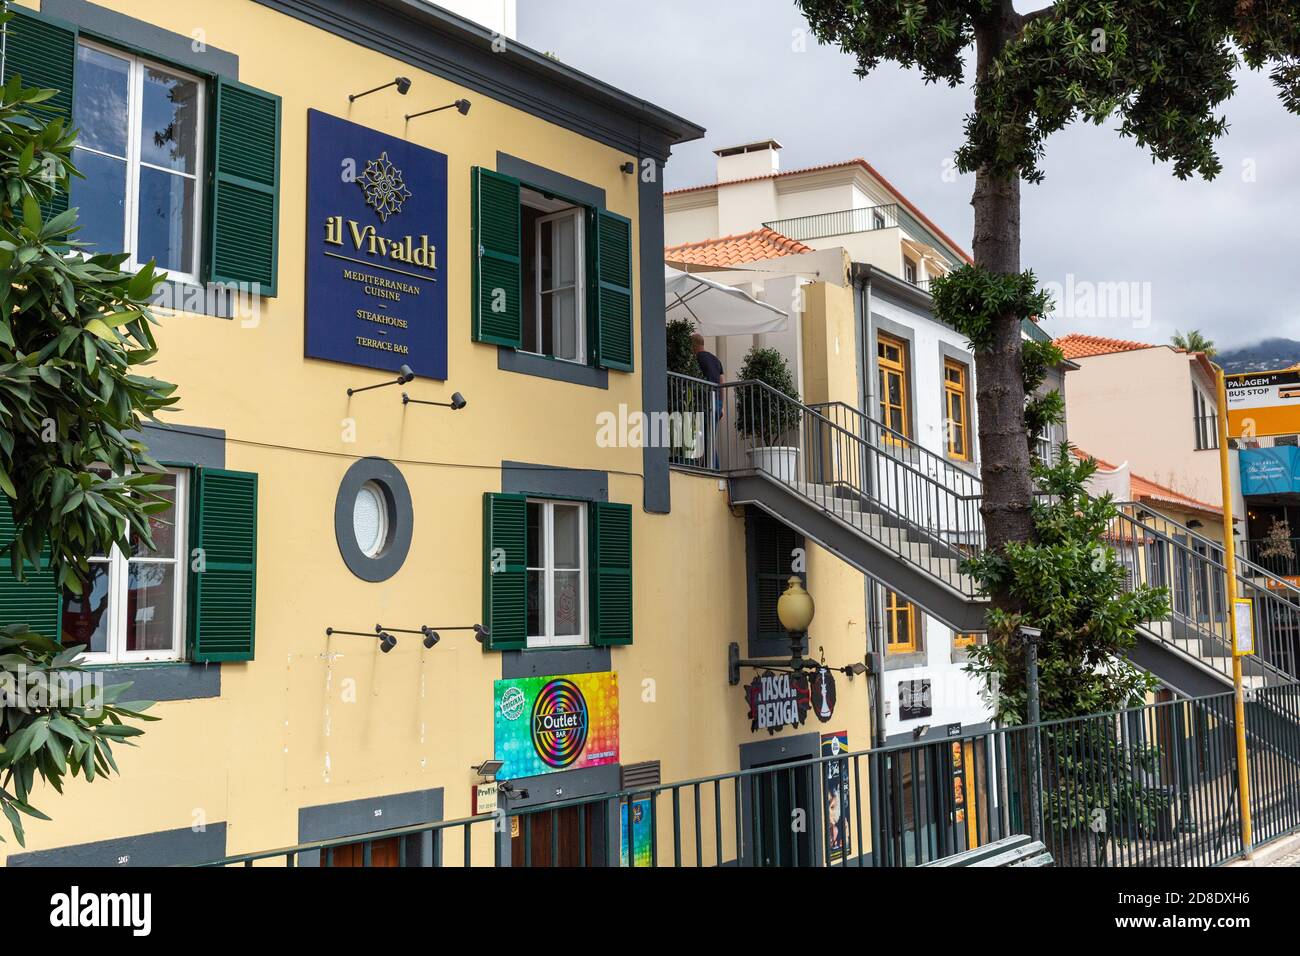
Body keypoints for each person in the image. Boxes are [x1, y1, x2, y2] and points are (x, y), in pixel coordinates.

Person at [692, 334, 724, 468]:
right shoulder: (716, 359)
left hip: (705, 403)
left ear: (692, 346)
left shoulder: (697, 359)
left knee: (705, 439)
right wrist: (722, 406)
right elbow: (722, 382)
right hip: (717, 402)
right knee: (708, 437)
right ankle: (708, 466)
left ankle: (714, 469)